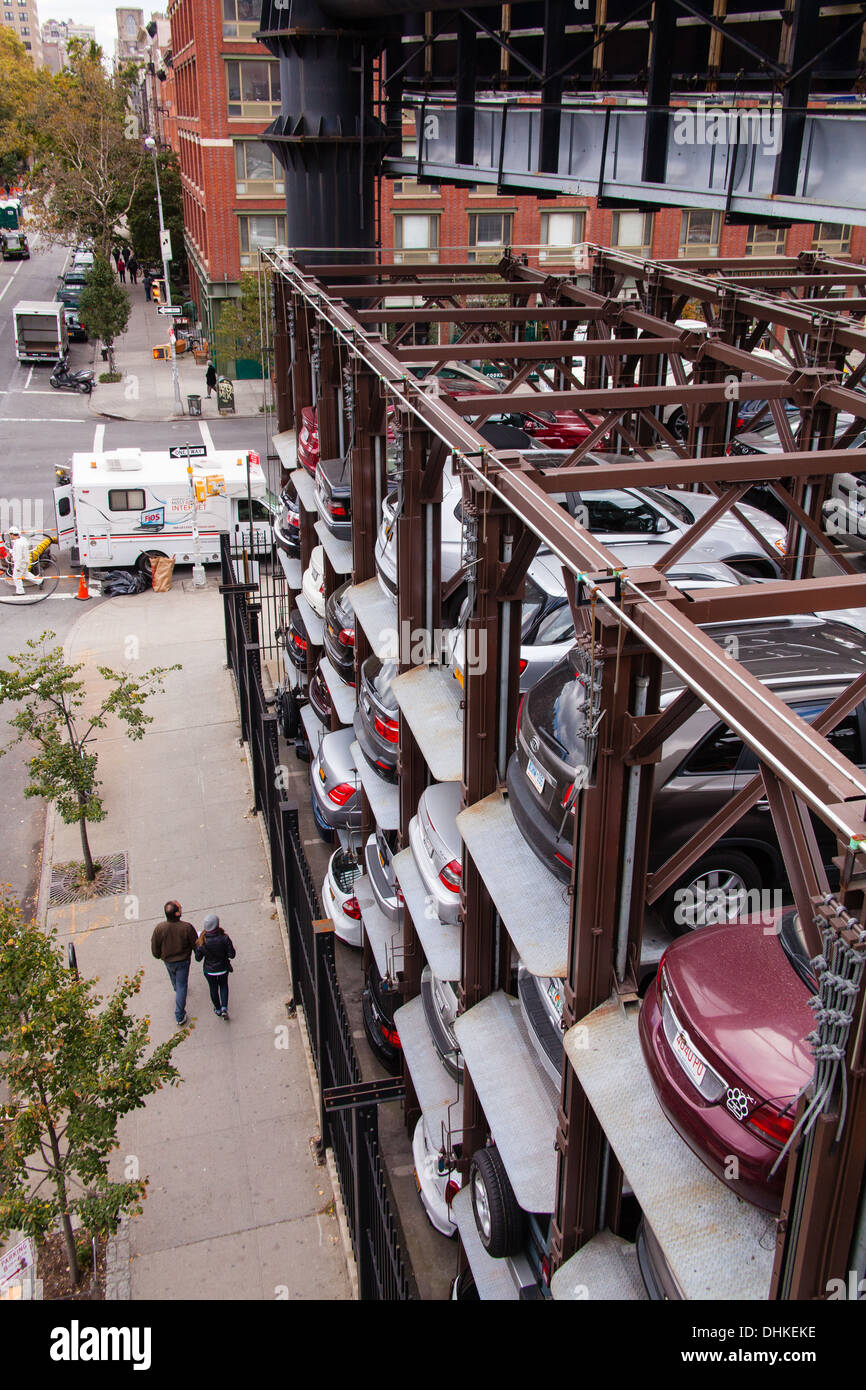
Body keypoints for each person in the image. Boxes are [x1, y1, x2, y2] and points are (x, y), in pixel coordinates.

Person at [151, 899, 198, 1027]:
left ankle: (176, 989)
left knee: (174, 979)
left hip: (168, 961)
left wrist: (159, 956)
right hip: (182, 961)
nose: (181, 908)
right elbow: (195, 944)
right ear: (177, 914)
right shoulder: (186, 927)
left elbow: (155, 947)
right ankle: (179, 1014)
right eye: (180, 908)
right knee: (182, 986)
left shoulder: (159, 928)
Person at [194, 914, 236, 1020]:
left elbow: (198, 958)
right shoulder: (224, 938)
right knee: (223, 985)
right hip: (223, 968)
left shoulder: (201, 941)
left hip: (209, 971)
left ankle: (217, 1008)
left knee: (213, 988)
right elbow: (232, 955)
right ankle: (224, 1008)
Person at [8, 526, 43, 596]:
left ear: (12, 534)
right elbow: (21, 551)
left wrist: (17, 567)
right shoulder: (22, 539)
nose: (9, 536)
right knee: (25, 573)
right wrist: (12, 551)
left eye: (10, 535)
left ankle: (20, 591)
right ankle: (39, 581)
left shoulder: (18, 544)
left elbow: (18, 557)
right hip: (26, 561)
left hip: (21, 563)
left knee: (16, 576)